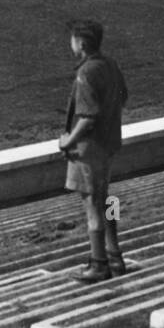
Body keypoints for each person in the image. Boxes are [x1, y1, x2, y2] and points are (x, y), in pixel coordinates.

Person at [58, 19, 130, 283]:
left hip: (89, 149)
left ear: (82, 44)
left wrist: (68, 141)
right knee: (104, 199)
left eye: (73, 39)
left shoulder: (86, 72)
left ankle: (98, 264)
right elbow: (123, 96)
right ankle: (114, 256)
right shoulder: (110, 65)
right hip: (108, 144)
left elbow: (87, 117)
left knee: (92, 205)